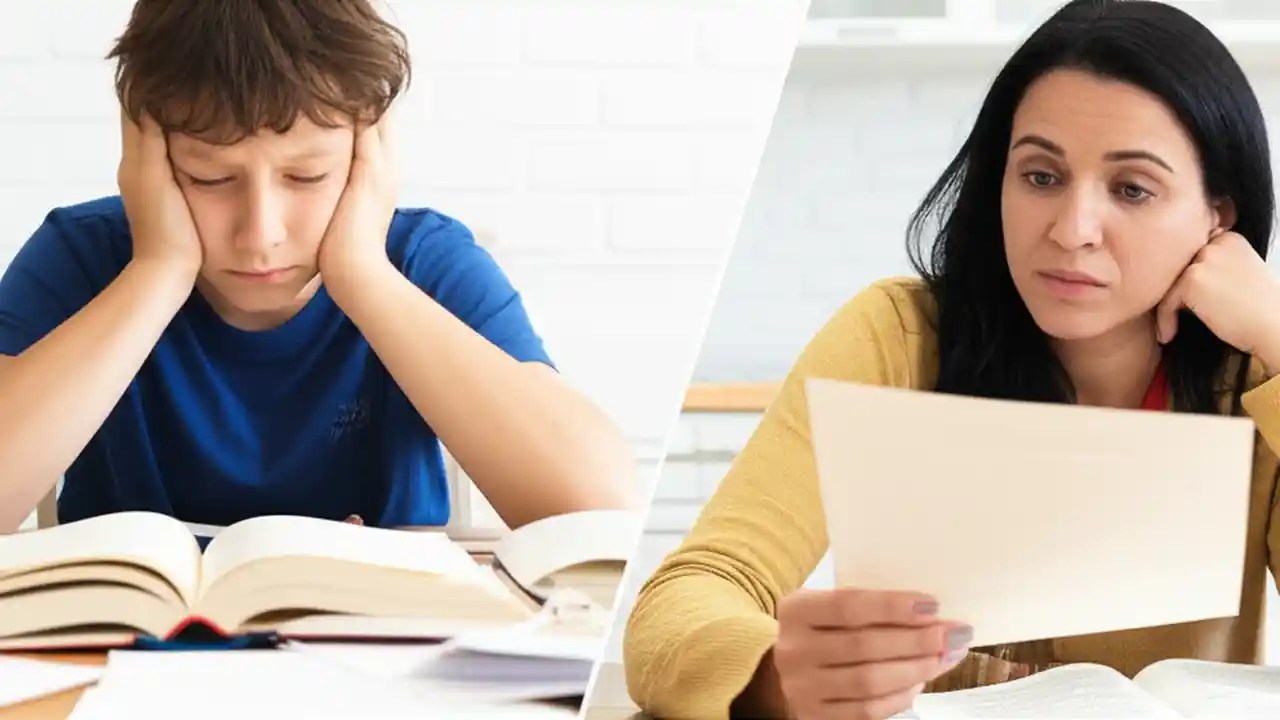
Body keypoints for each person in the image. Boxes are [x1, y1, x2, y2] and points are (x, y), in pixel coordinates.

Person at [622, 1, 1280, 718]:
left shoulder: (1251, 378)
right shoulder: (898, 336)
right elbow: (686, 600)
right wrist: (775, 677)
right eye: (1040, 176)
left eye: (1131, 190)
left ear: (1220, 217)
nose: (1072, 231)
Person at [0, 0, 635, 536]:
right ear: (147, 158)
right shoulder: (82, 256)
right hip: (120, 654)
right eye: (209, 177)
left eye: (307, 176)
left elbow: (598, 509)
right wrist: (159, 270)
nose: (261, 235)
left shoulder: (422, 260)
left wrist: (362, 273)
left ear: (368, 154)